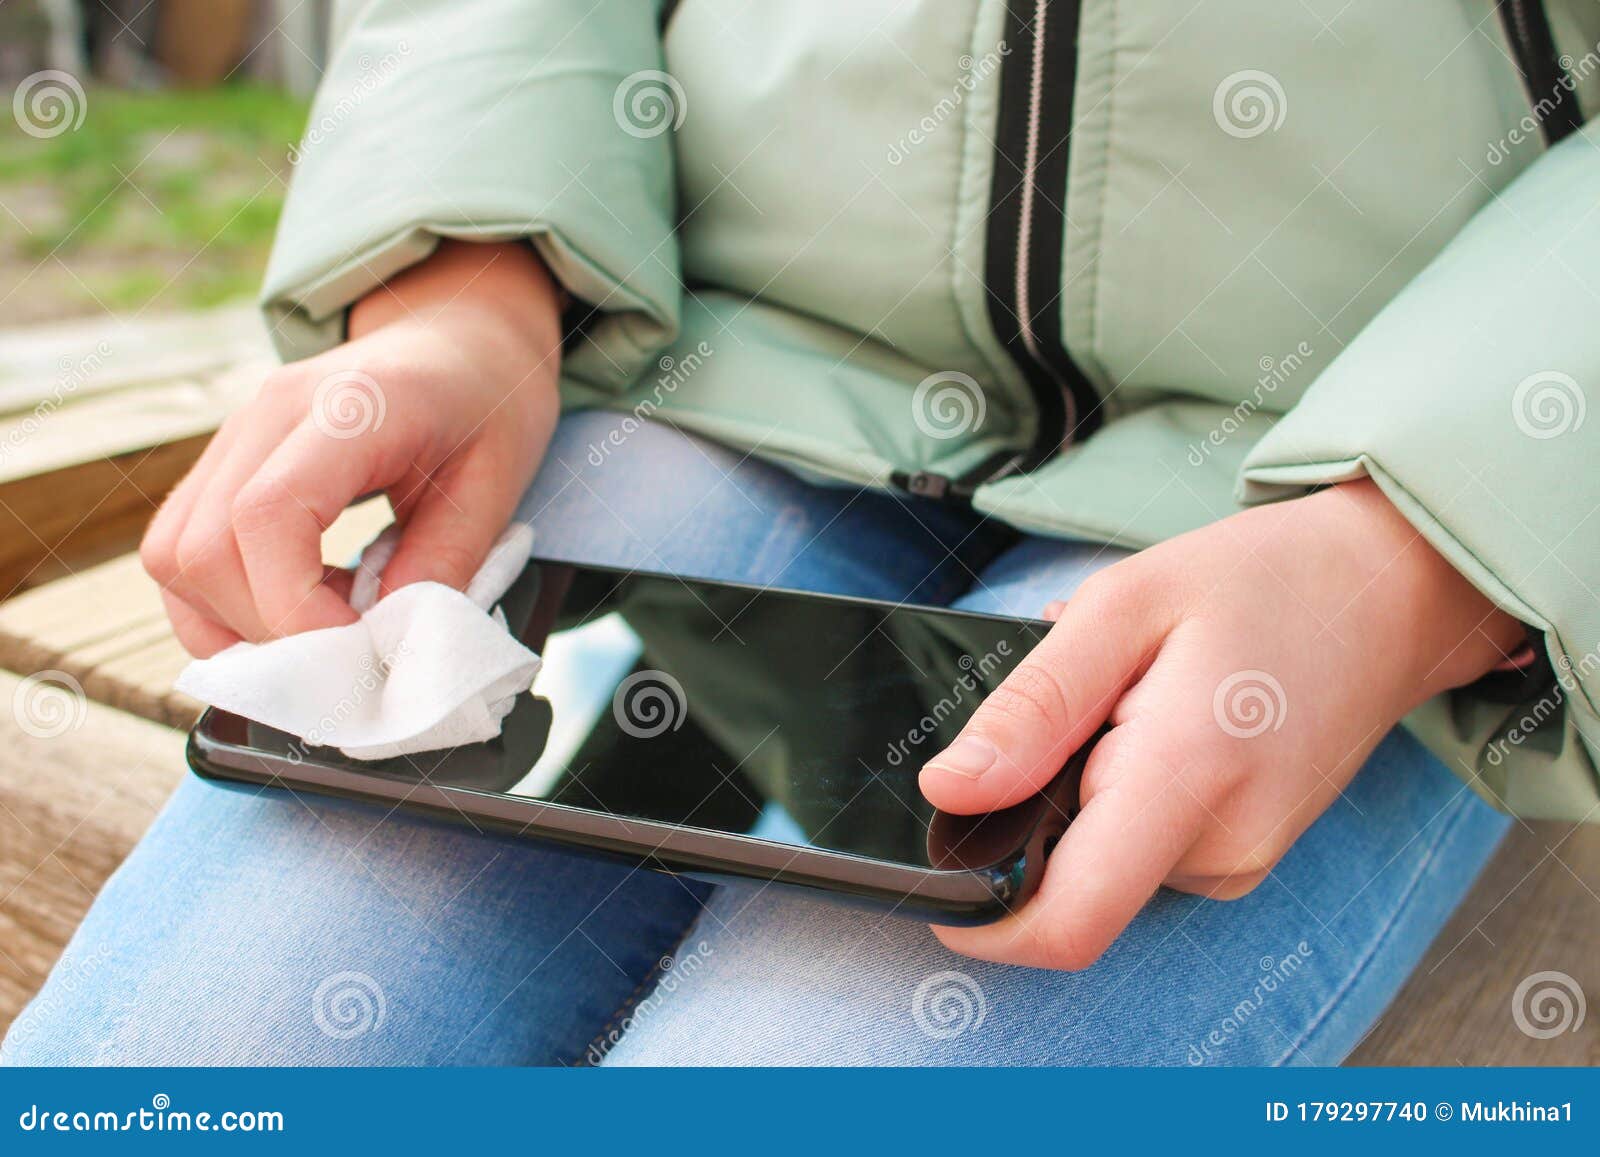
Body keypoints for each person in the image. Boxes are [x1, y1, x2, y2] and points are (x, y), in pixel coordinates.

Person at [6, 0, 1597, 1066]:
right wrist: (465, 272)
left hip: (1343, 489)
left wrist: (1433, 547)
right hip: (709, 346)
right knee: (199, 1051)